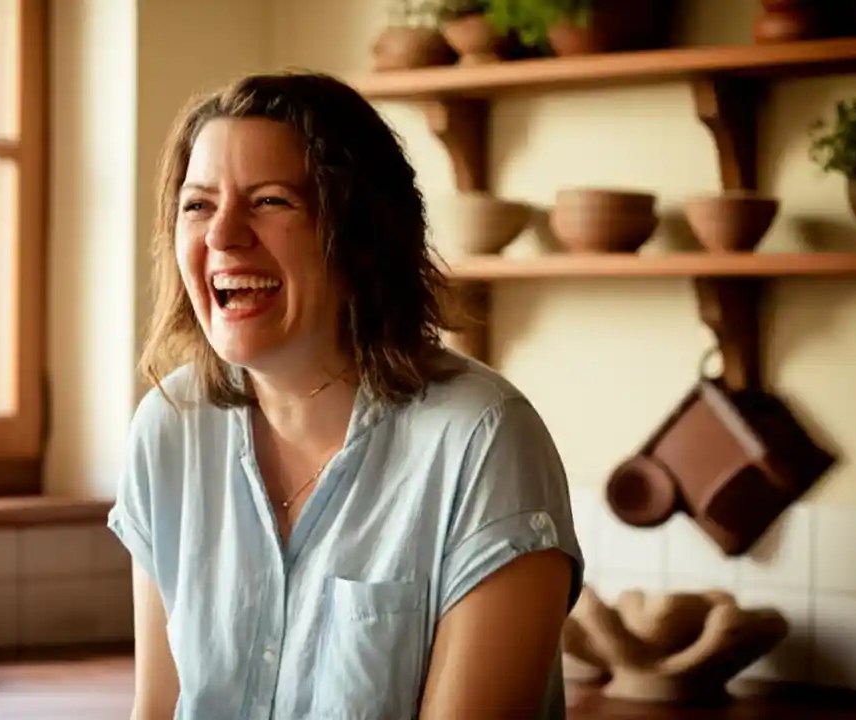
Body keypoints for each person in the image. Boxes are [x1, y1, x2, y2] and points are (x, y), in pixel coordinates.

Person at [107, 70, 585, 719]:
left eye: (271, 201)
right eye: (198, 204)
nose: (222, 235)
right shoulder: (170, 424)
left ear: (360, 235)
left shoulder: (483, 440)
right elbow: (158, 709)